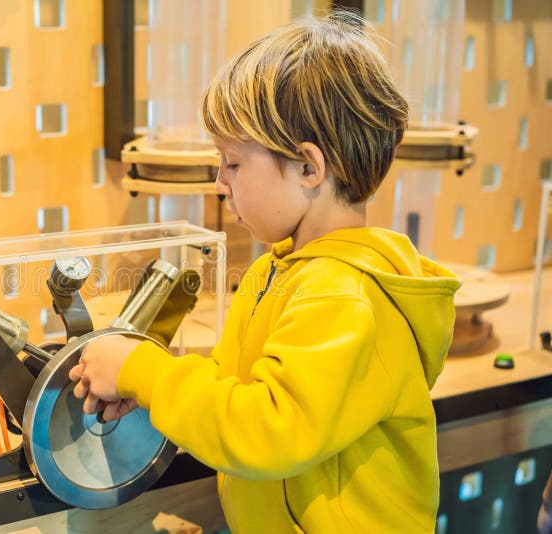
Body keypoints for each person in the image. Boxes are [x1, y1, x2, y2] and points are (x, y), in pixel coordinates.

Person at [69, 11, 460, 533]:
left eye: (232, 162)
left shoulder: (341, 295)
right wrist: (146, 393)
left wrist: (148, 372)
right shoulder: (280, 271)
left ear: (308, 168)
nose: (218, 182)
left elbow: (269, 429)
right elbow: (236, 391)